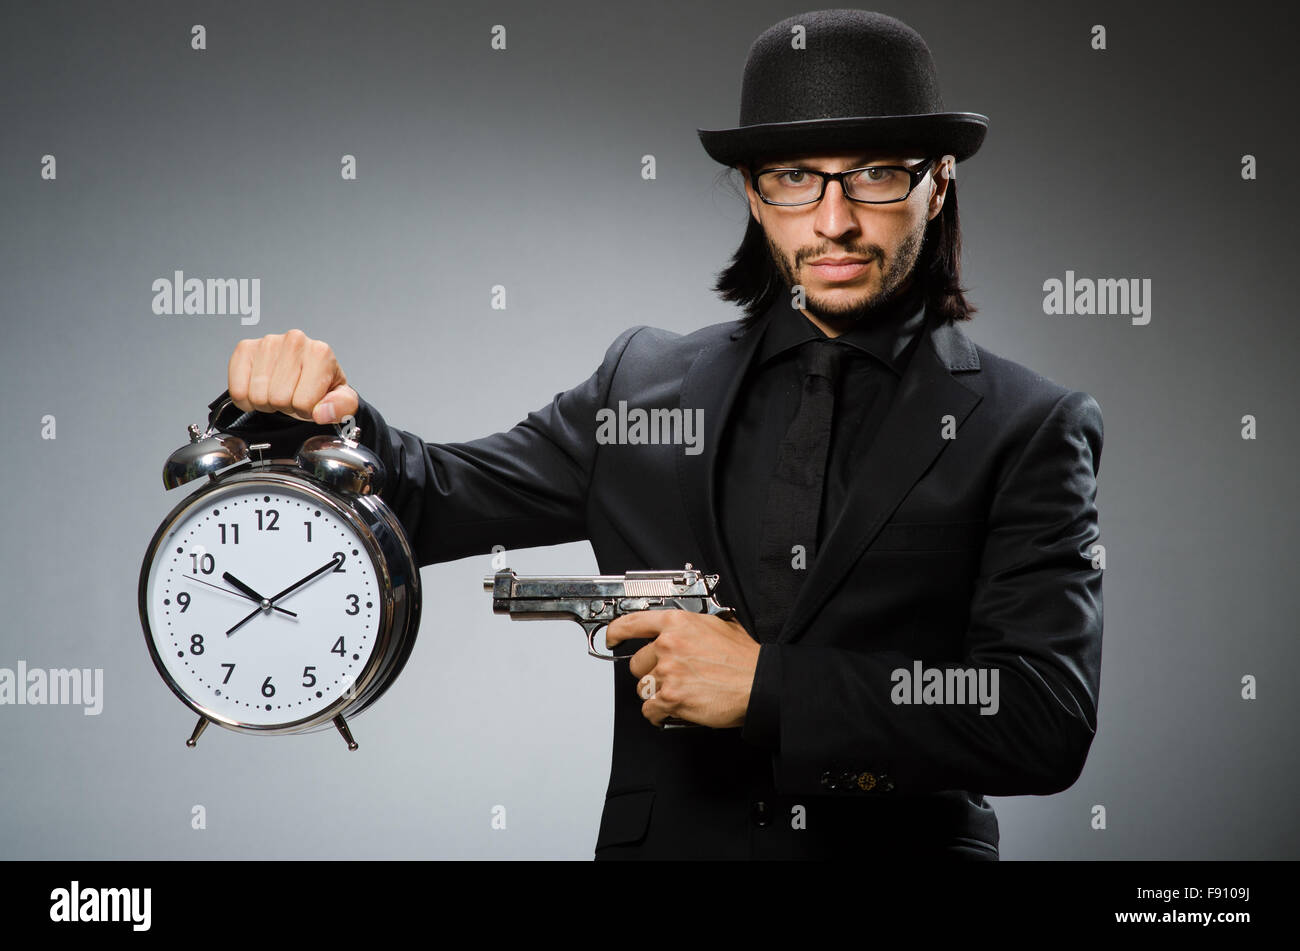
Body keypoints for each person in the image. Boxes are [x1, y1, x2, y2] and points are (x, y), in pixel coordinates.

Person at [209, 10, 1103, 860]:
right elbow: (424, 501)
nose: (834, 219)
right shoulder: (641, 386)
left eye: (874, 172)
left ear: (938, 179)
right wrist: (324, 416)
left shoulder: (1028, 427)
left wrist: (769, 690)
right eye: (797, 177)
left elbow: (1042, 716)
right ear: (756, 195)